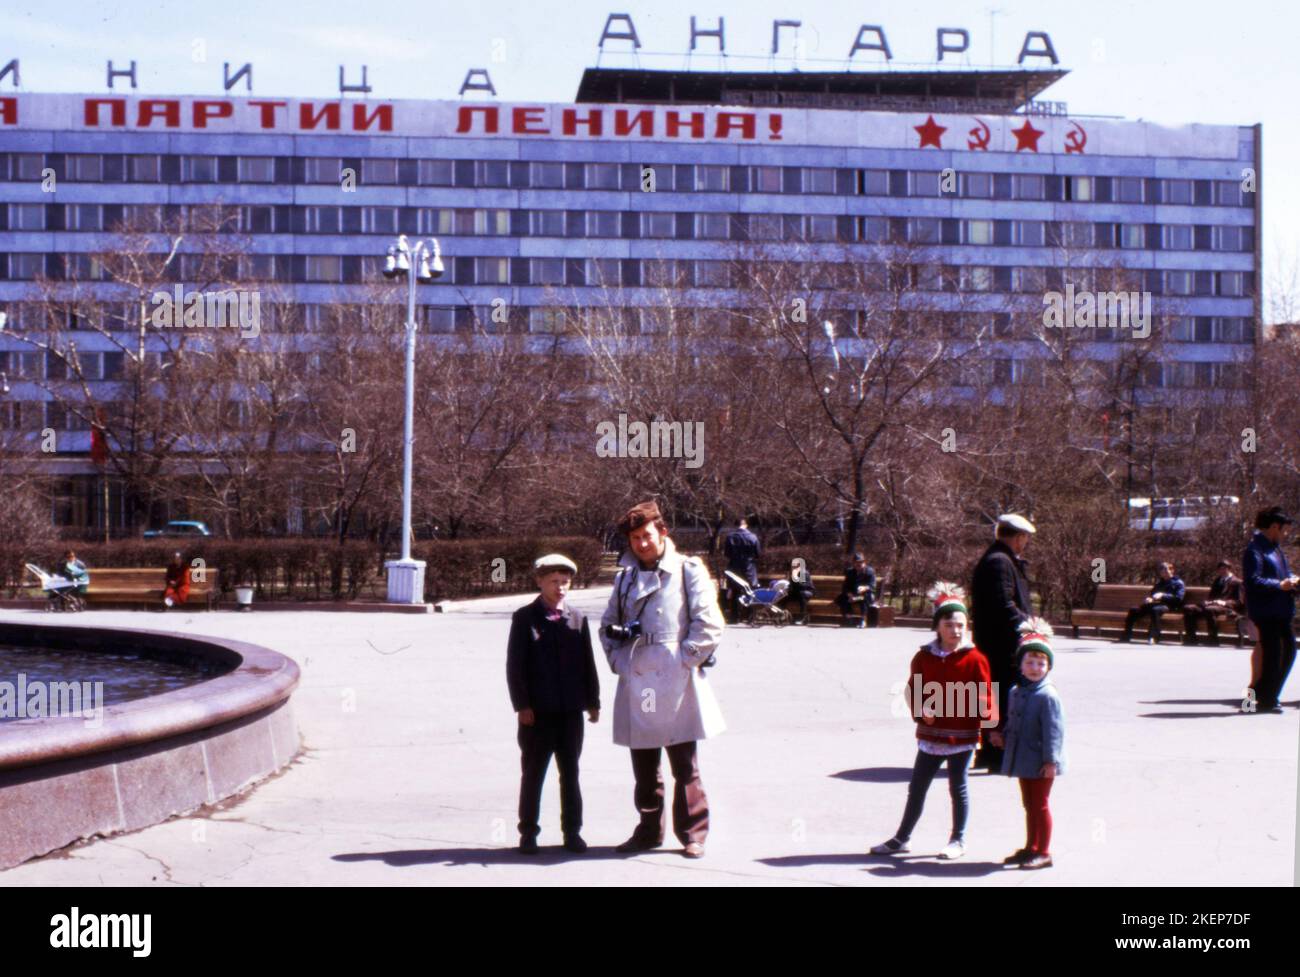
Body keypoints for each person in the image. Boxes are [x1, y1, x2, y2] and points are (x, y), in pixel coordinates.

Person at [600, 500, 725, 859]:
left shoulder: (687, 569)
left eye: (647, 535)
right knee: (643, 764)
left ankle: (693, 833)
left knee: (684, 762)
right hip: (637, 675)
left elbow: (709, 622)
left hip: (675, 677)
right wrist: (620, 660)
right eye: (635, 538)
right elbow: (608, 625)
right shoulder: (624, 577)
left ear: (663, 532)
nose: (641, 544)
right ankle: (648, 830)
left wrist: (685, 660)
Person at [871, 583, 993, 861]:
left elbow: (986, 695)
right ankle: (902, 838)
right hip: (930, 734)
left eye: (961, 625)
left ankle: (958, 839)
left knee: (957, 787)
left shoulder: (975, 658)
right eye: (949, 625)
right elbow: (913, 689)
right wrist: (920, 709)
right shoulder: (924, 657)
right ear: (938, 626)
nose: (956, 631)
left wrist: (990, 729)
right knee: (917, 787)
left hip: (962, 735)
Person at [505, 554, 601, 854]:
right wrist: (522, 705)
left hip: (570, 711)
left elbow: (588, 663)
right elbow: (515, 666)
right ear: (540, 582)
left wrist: (593, 700)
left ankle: (572, 832)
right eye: (554, 582)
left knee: (570, 774)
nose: (560, 588)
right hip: (537, 714)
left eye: (565, 582)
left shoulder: (577, 618)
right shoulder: (525, 618)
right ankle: (528, 833)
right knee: (534, 774)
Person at [991, 617, 1065, 871]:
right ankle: (1031, 846)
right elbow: (1013, 722)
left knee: (1040, 804)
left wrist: (1050, 761)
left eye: (1041, 663)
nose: (1035, 667)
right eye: (1030, 662)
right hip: (1023, 758)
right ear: (1020, 665)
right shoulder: (1016, 691)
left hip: (1042, 762)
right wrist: (1001, 735)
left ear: (1048, 667)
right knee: (1029, 804)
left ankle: (1043, 851)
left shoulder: (1048, 695)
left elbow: (1054, 732)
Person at [969, 513, 1035, 772]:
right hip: (1001, 644)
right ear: (1018, 537)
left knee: (995, 695)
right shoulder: (999, 562)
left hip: (997, 642)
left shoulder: (1000, 559)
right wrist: (1031, 628)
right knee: (1003, 697)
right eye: (1025, 538)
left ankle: (989, 752)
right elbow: (1004, 605)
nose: (1026, 542)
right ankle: (997, 754)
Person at [1242, 507, 1298, 714]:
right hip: (1267, 611)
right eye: (1285, 530)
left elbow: (1283, 573)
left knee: (1286, 653)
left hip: (1280, 610)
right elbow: (1253, 581)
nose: (1286, 534)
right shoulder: (1255, 549)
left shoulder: (1274, 549)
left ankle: (1263, 694)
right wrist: (1279, 585)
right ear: (1274, 526)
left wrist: (1292, 580)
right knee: (1274, 655)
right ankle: (1265, 698)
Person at [1118, 562, 1186, 644]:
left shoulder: (1178, 583)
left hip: (1170, 606)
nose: (1164, 572)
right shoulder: (1159, 584)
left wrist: (1163, 595)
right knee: (1134, 610)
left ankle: (1154, 637)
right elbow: (1152, 595)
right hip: (1155, 604)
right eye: (1162, 570)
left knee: (1155, 610)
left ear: (1172, 571)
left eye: (1166, 570)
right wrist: (1150, 599)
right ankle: (1126, 636)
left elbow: (1178, 598)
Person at [1181, 560, 1245, 647]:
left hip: (1227, 607)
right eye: (1220, 569)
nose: (1221, 571)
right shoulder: (1217, 581)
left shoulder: (1237, 582)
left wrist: (1224, 602)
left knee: (1209, 609)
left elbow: (1239, 601)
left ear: (1229, 569)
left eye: (1224, 569)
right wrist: (1208, 601)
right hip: (1213, 604)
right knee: (1188, 608)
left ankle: (1213, 639)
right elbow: (1211, 596)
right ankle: (1191, 638)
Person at [722, 518, 761, 623]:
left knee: (735, 591)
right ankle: (750, 617)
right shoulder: (753, 537)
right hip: (749, 567)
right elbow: (757, 554)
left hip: (734, 567)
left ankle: (734, 617)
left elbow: (727, 553)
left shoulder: (730, 537)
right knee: (751, 592)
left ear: (736, 526)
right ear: (746, 525)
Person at [834, 552, 878, 628]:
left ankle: (863, 620)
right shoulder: (850, 572)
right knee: (841, 599)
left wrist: (865, 588)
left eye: (861, 562)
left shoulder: (869, 571)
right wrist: (849, 594)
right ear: (854, 563)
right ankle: (849, 619)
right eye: (856, 562)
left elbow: (872, 586)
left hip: (864, 596)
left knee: (865, 598)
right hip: (853, 596)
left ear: (864, 562)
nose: (859, 564)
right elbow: (845, 586)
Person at [779, 559, 816, 625]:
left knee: (802, 596)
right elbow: (791, 585)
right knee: (782, 598)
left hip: (807, 591)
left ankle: (802, 617)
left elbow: (803, 586)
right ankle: (783, 615)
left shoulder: (803, 573)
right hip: (797, 592)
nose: (793, 567)